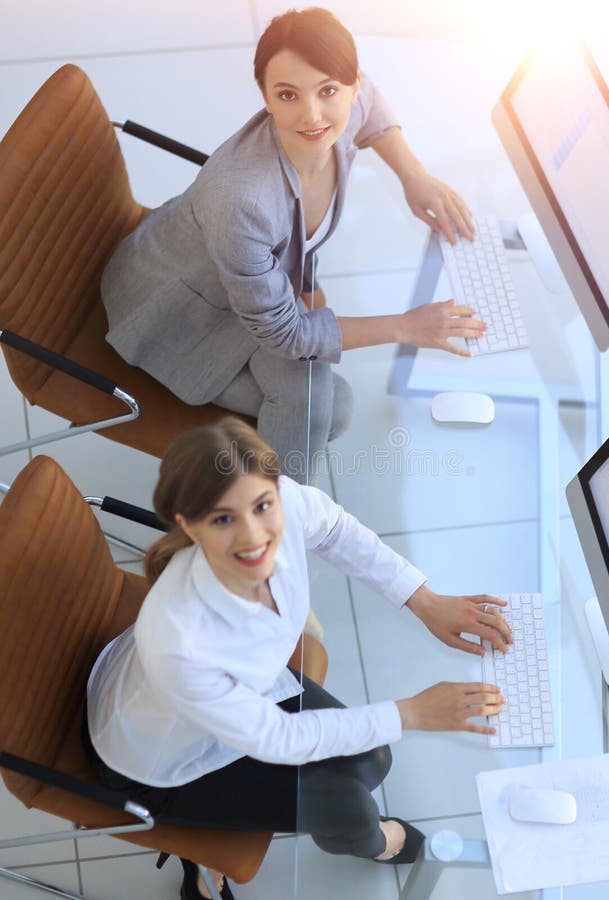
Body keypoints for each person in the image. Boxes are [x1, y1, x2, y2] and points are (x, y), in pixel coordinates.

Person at [84, 417, 511, 899]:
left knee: (372, 760)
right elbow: (278, 738)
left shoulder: (278, 504)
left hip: (230, 702)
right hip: (154, 762)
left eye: (262, 506)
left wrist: (425, 600)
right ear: (189, 525)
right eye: (224, 519)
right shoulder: (182, 641)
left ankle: (251, 831)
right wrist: (412, 712)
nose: (253, 537)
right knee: (346, 807)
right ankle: (357, 842)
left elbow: (333, 530)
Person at [101, 6, 487, 484]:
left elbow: (374, 106)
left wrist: (414, 176)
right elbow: (286, 336)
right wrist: (407, 326)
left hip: (250, 288)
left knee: (334, 409)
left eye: (329, 91)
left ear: (352, 83)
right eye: (287, 95)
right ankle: (281, 520)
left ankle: (284, 504)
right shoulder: (242, 201)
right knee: (317, 403)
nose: (311, 116)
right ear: (264, 96)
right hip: (175, 310)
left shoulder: (351, 102)